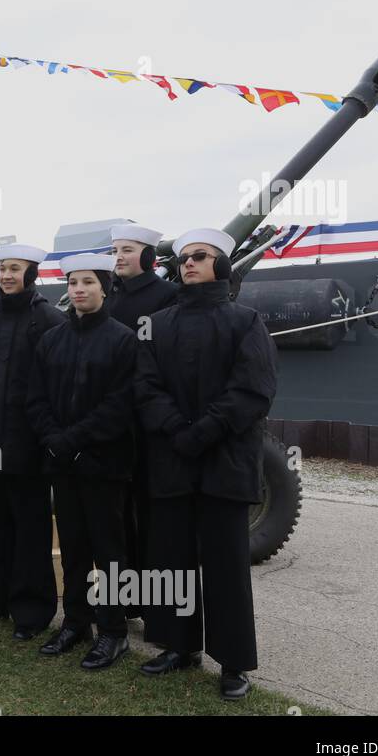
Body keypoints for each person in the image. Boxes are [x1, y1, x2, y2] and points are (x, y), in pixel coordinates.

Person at [135, 228, 278, 701]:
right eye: (184, 258)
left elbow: (252, 390)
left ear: (221, 264)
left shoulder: (245, 321)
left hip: (225, 462)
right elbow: (146, 386)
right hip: (174, 460)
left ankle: (233, 662)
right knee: (171, 560)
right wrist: (178, 429)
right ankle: (178, 646)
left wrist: (202, 431)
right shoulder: (157, 324)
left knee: (226, 567)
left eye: (201, 256)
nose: (190, 264)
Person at [28, 253, 138, 668]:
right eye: (73, 281)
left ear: (104, 288)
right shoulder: (52, 340)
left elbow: (120, 404)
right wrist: (54, 440)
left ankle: (113, 632)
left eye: (88, 281)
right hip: (63, 463)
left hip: (104, 464)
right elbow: (35, 397)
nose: (78, 289)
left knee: (109, 551)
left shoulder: (123, 339)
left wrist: (73, 439)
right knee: (73, 547)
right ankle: (76, 622)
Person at [0, 243, 65, 640]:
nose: (5, 275)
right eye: (2, 268)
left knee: (30, 533)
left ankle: (31, 612)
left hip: (28, 450)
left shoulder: (50, 321)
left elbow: (56, 390)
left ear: (31, 274)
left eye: (14, 268)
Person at [107, 224, 177, 611]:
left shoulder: (168, 296)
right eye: (115, 249)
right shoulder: (109, 295)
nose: (118, 256)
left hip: (148, 424)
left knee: (151, 519)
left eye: (128, 250)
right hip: (113, 423)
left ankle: (154, 608)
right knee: (117, 519)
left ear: (149, 257)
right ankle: (125, 602)